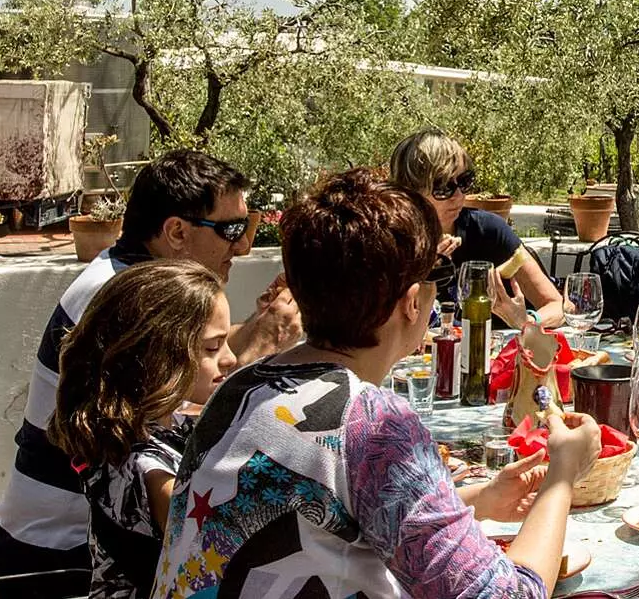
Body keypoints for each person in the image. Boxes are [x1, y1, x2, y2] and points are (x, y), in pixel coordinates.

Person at [152, 169, 602, 598]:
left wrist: (475, 500)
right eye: (438, 274)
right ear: (411, 302)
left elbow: (315, 510)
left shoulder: (243, 387)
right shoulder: (372, 424)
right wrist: (562, 473)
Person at [0, 151, 302, 597]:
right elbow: (181, 405)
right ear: (176, 231)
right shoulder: (113, 295)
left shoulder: (129, 279)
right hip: (60, 561)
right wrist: (264, 342)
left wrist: (261, 326)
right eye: (232, 230)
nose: (244, 246)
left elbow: (188, 361)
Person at [48, 262, 237, 599]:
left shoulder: (149, 429)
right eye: (212, 347)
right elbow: (213, 551)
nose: (230, 358)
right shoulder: (148, 470)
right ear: (159, 354)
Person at [389, 129, 563, 327]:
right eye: (443, 187)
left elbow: (557, 306)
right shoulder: (390, 241)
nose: (459, 196)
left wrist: (527, 320)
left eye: (464, 181)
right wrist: (421, 271)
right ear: (410, 191)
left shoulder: (488, 231)